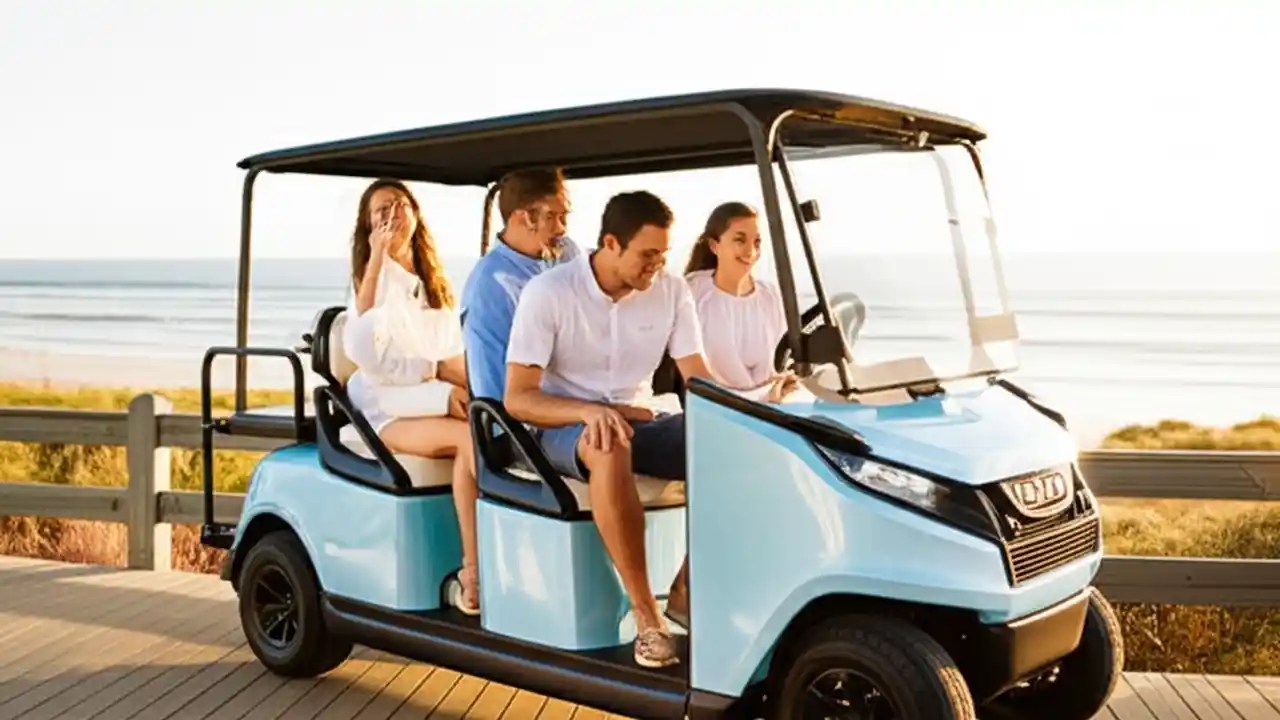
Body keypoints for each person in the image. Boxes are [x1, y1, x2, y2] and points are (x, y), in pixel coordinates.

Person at [504, 190, 713, 669]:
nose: (657, 266)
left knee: (724, 443)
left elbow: (699, 379)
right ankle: (647, 616)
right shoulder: (549, 293)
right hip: (559, 425)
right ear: (611, 243)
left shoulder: (672, 291)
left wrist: (750, 414)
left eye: (663, 255)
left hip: (638, 417)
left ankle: (685, 590)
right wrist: (588, 411)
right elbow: (518, 398)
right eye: (647, 255)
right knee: (607, 440)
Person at [341, 178, 480, 615]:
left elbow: (451, 352)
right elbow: (370, 351)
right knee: (470, 440)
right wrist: (376, 258)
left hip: (431, 396)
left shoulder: (433, 281)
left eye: (401, 204)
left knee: (496, 424)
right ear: (369, 226)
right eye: (381, 210)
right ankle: (474, 571)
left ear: (416, 214)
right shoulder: (371, 281)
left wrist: (478, 387)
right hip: (385, 408)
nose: (394, 214)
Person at [460, 168, 580, 402]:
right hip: (544, 414)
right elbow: (494, 393)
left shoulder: (566, 253)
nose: (561, 228)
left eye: (564, 216)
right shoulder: (491, 288)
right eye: (551, 217)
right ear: (520, 217)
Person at [683, 202, 796, 402]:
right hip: (717, 407)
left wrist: (782, 386)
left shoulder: (770, 295)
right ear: (714, 246)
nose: (750, 251)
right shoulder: (693, 293)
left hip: (770, 405)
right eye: (740, 240)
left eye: (757, 242)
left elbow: (780, 363)